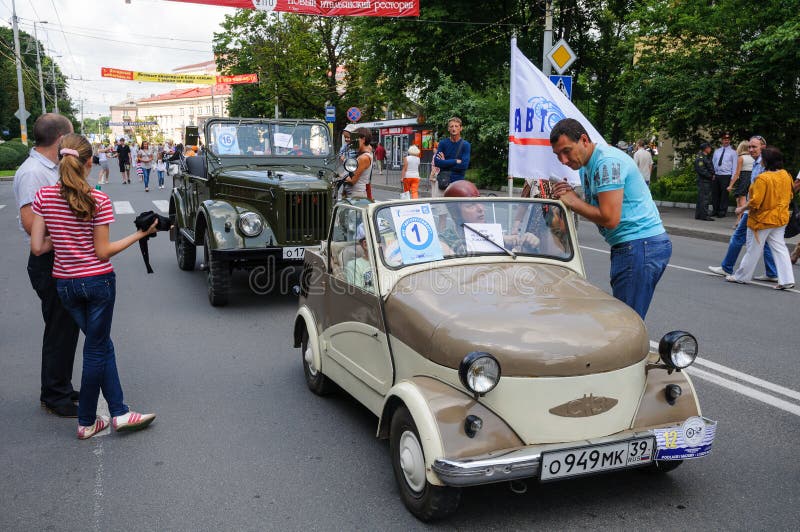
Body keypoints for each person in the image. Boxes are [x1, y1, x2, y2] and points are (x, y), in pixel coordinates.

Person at [29, 133, 158, 439]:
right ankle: (87, 420)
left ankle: (120, 412)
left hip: (65, 285)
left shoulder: (44, 197)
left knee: (101, 345)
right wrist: (140, 236)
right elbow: (103, 252)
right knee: (96, 351)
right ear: (89, 163)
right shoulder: (97, 199)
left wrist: (61, 239)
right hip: (98, 282)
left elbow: (37, 247)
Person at [549, 118, 671, 319]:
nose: (563, 160)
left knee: (626, 325)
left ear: (584, 140)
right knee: (625, 321)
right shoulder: (587, 165)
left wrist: (573, 202)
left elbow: (609, 218)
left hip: (639, 245)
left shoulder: (606, 163)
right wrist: (574, 196)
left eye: (567, 151)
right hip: (636, 245)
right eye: (557, 155)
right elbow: (600, 206)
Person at [13, 113, 80, 418]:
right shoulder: (32, 173)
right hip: (48, 261)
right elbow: (31, 225)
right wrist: (72, 233)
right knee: (58, 327)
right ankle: (54, 394)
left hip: (60, 258)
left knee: (67, 327)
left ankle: (61, 386)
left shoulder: (51, 168)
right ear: (60, 138)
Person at [708, 135, 778, 281]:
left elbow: (761, 191)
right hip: (756, 209)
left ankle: (728, 268)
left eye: (754, 147)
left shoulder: (764, 164)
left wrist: (744, 207)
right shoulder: (757, 162)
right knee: (764, 241)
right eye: (750, 147)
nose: (751, 149)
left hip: (754, 209)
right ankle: (772, 273)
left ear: (763, 148)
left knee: (739, 237)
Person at [725, 147, 795, 289]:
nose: (760, 160)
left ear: (767, 161)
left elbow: (756, 202)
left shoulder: (763, 178)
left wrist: (741, 208)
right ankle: (787, 280)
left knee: (754, 249)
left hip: (762, 220)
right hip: (781, 217)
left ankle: (742, 276)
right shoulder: (786, 175)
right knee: (780, 247)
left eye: (762, 158)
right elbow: (791, 195)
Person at [438, 180, 539, 255]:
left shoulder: (494, 233)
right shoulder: (446, 239)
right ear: (456, 213)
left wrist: (528, 245)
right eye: (471, 205)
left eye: (480, 201)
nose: (480, 208)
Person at [430, 117, 471, 198]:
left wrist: (445, 162)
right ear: (448, 129)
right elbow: (437, 162)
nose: (454, 128)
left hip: (458, 185)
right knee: (440, 209)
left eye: (456, 126)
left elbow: (464, 166)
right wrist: (455, 161)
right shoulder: (443, 143)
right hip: (443, 182)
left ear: (461, 128)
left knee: (456, 210)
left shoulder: (466, 145)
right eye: (451, 126)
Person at [341, 127, 373, 200]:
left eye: (355, 139)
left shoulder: (363, 158)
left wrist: (340, 177)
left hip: (356, 196)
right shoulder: (362, 154)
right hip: (353, 194)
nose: (352, 141)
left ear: (363, 139)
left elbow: (352, 180)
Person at [728, 140, 754, 227]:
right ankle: (738, 222)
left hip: (744, 178)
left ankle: (742, 222)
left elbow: (737, 174)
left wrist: (730, 185)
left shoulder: (741, 158)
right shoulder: (754, 157)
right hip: (752, 178)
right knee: (741, 200)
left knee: (741, 201)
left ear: (741, 148)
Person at [711, 132, 737, 218]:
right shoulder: (717, 151)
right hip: (717, 175)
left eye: (728, 139)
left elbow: (734, 166)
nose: (726, 141)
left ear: (730, 141)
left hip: (726, 175)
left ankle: (722, 211)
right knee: (715, 193)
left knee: (724, 195)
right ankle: (715, 210)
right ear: (722, 140)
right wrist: (712, 174)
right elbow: (713, 163)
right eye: (725, 139)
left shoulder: (733, 152)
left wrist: (732, 179)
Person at [344, 225, 373, 290]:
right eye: (382, 239)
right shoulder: (354, 266)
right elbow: (357, 294)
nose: (389, 243)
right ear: (365, 244)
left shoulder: (392, 262)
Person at [694, 142, 715, 221]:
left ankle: (699, 214)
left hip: (705, 180)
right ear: (706, 149)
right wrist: (711, 176)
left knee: (702, 198)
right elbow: (701, 170)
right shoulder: (701, 158)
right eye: (709, 148)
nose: (710, 149)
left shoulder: (705, 157)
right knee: (704, 198)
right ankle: (704, 215)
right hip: (704, 181)